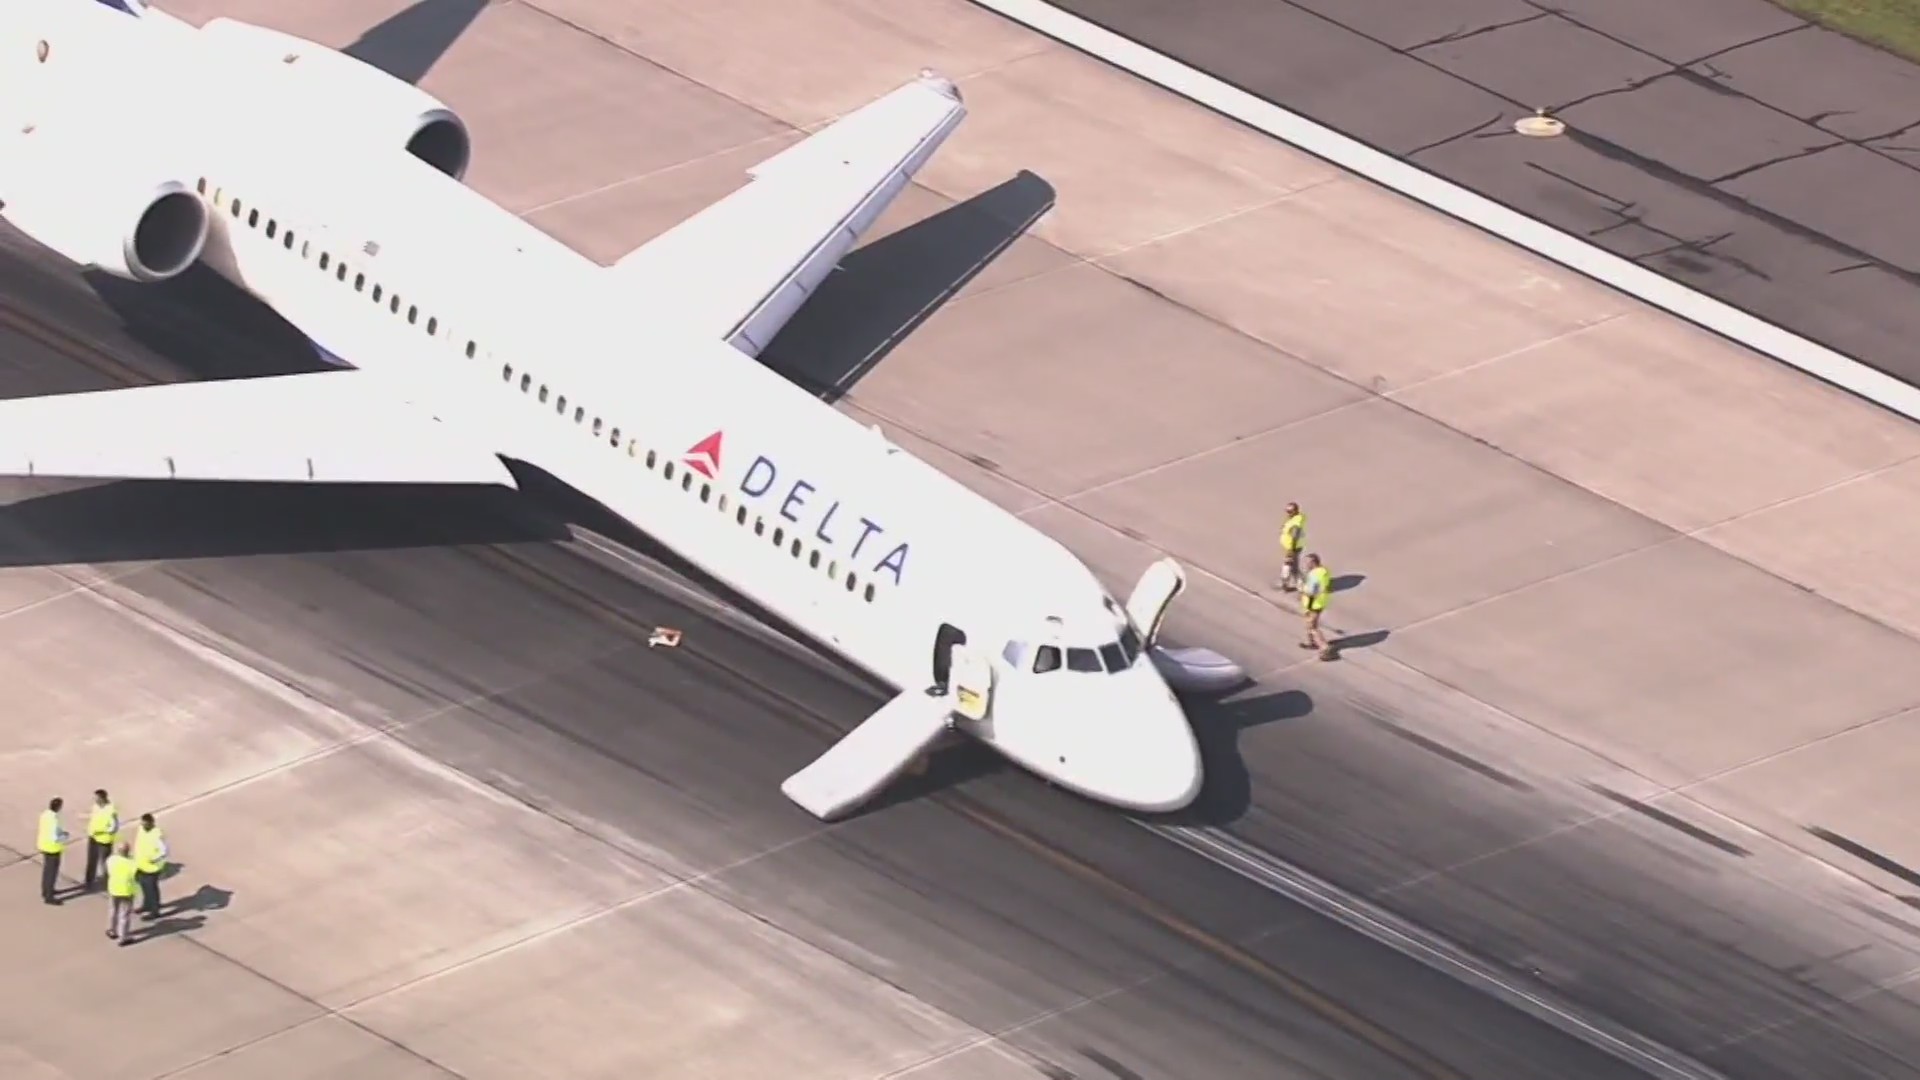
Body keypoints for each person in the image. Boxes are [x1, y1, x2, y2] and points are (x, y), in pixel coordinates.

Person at [1299, 553, 1336, 661]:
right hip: (1319, 602)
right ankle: (1312, 642)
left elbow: (1312, 591)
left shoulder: (1314, 575)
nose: (1306, 565)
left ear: (1313, 563)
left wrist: (1302, 589)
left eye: (1308, 563)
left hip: (1313, 603)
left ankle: (1325, 648)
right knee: (1308, 623)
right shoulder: (1323, 572)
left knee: (1312, 626)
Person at [133, 813, 168, 920]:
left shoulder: (157, 834)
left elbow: (164, 851)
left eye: (146, 824)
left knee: (152, 889)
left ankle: (155, 911)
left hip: (152, 868)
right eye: (142, 823)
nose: (144, 825)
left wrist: (153, 859)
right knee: (144, 887)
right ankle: (146, 905)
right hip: (141, 864)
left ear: (151, 823)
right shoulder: (141, 829)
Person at [84, 788, 119, 893]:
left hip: (104, 840)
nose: (95, 800)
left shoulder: (111, 809)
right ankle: (88, 882)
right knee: (91, 861)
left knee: (105, 863)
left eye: (97, 798)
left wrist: (101, 831)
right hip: (93, 837)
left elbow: (114, 827)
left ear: (102, 798)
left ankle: (107, 883)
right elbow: (94, 817)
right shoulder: (95, 806)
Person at [35, 797, 68, 905]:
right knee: (52, 872)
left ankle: (46, 890)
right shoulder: (54, 820)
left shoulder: (45, 815)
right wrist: (64, 837)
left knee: (47, 871)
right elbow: (55, 837)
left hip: (44, 845)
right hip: (52, 848)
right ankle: (49, 897)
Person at [105, 841, 137, 945]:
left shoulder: (111, 860)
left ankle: (112, 930)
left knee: (113, 910)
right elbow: (134, 875)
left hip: (114, 888)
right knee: (124, 915)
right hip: (126, 891)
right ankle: (123, 937)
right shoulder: (132, 863)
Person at [1275, 503, 1306, 592]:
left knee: (1293, 568)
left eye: (1289, 511)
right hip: (1290, 547)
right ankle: (1286, 584)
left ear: (1295, 511)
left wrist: (1291, 549)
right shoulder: (1294, 518)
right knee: (1289, 565)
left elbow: (1295, 536)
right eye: (1287, 511)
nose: (1288, 513)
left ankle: (1301, 587)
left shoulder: (1296, 522)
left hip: (1293, 548)